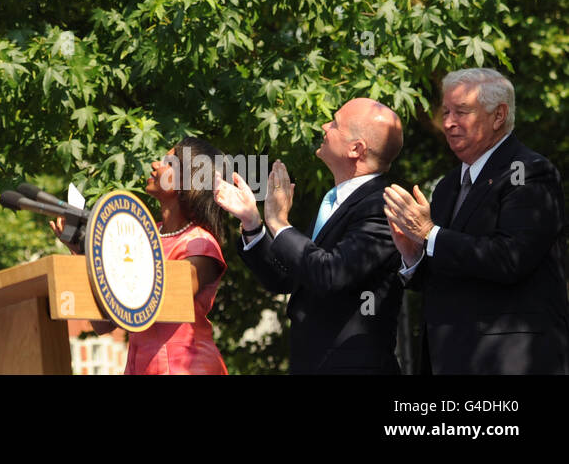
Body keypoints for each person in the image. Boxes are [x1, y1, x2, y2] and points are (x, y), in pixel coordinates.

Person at [386, 68, 569, 374]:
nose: (448, 122)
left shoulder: (529, 172)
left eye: (462, 111)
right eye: (445, 111)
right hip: (449, 358)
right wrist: (413, 253)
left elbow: (510, 259)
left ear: (498, 116)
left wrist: (430, 234)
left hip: (509, 360)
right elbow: (445, 274)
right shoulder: (446, 186)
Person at [215, 98, 404, 374]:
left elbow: (330, 274)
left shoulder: (381, 207)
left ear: (356, 149)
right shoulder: (334, 199)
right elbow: (289, 277)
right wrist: (253, 224)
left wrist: (279, 223)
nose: (325, 126)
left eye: (335, 124)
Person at [57, 137, 230, 374]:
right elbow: (103, 324)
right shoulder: (141, 238)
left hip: (186, 367)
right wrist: (80, 251)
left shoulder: (200, 243)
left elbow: (164, 298)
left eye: (169, 162)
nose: (155, 165)